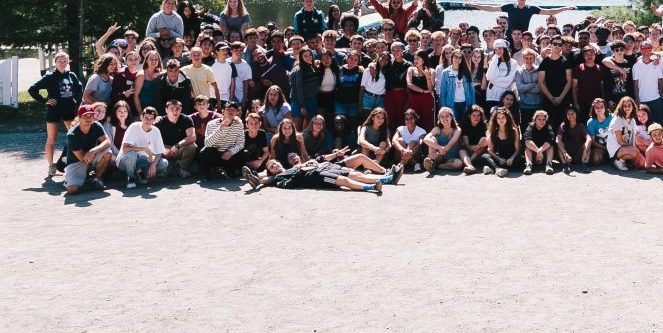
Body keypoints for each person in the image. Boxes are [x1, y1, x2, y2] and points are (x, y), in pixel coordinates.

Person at [30, 51, 83, 181]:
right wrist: (44, 101)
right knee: (51, 139)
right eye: (60, 61)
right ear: (55, 62)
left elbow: (80, 88)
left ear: (68, 62)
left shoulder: (71, 75)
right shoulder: (49, 76)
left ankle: (71, 162)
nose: (62, 63)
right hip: (53, 110)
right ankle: (51, 166)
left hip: (68, 110)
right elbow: (32, 89)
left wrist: (75, 99)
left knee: (74, 135)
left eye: (65, 61)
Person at [243, 152, 394, 195]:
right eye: (272, 166)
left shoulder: (295, 165)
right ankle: (372, 187)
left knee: (357, 175)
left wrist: (312, 163)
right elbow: (285, 183)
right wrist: (299, 171)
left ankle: (386, 178)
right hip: (317, 177)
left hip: (324, 168)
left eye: (275, 163)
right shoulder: (280, 177)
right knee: (344, 181)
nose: (274, 165)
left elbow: (320, 158)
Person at [462, 0, 575, 37]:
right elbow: (491, 8)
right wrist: (473, 5)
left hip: (524, 36)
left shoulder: (531, 8)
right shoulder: (510, 7)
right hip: (510, 36)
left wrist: (566, 8)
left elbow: (549, 11)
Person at [61, 104, 113, 194]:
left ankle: (96, 178)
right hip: (77, 162)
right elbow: (81, 157)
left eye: (91, 115)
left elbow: (107, 142)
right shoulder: (72, 134)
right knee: (72, 190)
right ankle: (70, 177)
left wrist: (93, 150)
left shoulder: (96, 125)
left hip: (91, 155)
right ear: (79, 117)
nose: (88, 118)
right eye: (85, 116)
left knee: (108, 153)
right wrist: (91, 153)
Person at [198, 101, 247, 179]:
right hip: (215, 154)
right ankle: (209, 171)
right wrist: (220, 129)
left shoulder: (239, 124)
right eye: (228, 109)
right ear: (223, 111)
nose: (231, 111)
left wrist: (230, 152)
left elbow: (241, 144)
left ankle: (231, 170)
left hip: (229, 155)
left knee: (244, 153)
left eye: (234, 109)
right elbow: (207, 143)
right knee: (204, 152)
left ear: (237, 112)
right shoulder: (211, 123)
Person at [156, 99, 198, 177]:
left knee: (192, 146)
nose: (174, 111)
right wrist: (164, 148)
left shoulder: (186, 119)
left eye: (177, 109)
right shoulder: (159, 122)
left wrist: (176, 146)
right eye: (171, 109)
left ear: (181, 109)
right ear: (166, 110)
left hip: (179, 148)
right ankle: (164, 169)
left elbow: (192, 137)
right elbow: (152, 140)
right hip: (164, 149)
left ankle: (183, 169)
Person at [422, 107, 465, 175]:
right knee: (432, 138)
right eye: (442, 117)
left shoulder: (457, 130)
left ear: (451, 117)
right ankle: (432, 162)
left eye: (447, 116)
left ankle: (436, 166)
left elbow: (449, 146)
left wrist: (437, 153)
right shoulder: (437, 129)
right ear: (439, 119)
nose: (444, 118)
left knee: (459, 164)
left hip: (451, 158)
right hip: (439, 157)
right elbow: (425, 139)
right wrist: (439, 148)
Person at [482, 107, 521, 176]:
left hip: (511, 157)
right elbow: (490, 149)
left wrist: (511, 158)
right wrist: (499, 159)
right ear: (496, 119)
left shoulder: (514, 130)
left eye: (503, 117)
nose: (501, 120)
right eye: (498, 118)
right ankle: (497, 169)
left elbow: (517, 149)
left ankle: (491, 169)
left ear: (507, 118)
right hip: (500, 157)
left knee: (521, 159)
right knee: (485, 156)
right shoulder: (493, 131)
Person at [521, 109, 558, 175]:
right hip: (534, 155)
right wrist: (538, 151)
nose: (542, 121)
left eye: (543, 119)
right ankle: (528, 166)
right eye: (539, 119)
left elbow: (551, 139)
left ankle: (548, 165)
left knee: (550, 146)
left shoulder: (548, 127)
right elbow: (527, 140)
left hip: (544, 155)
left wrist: (540, 151)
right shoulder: (530, 127)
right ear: (535, 119)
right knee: (527, 147)